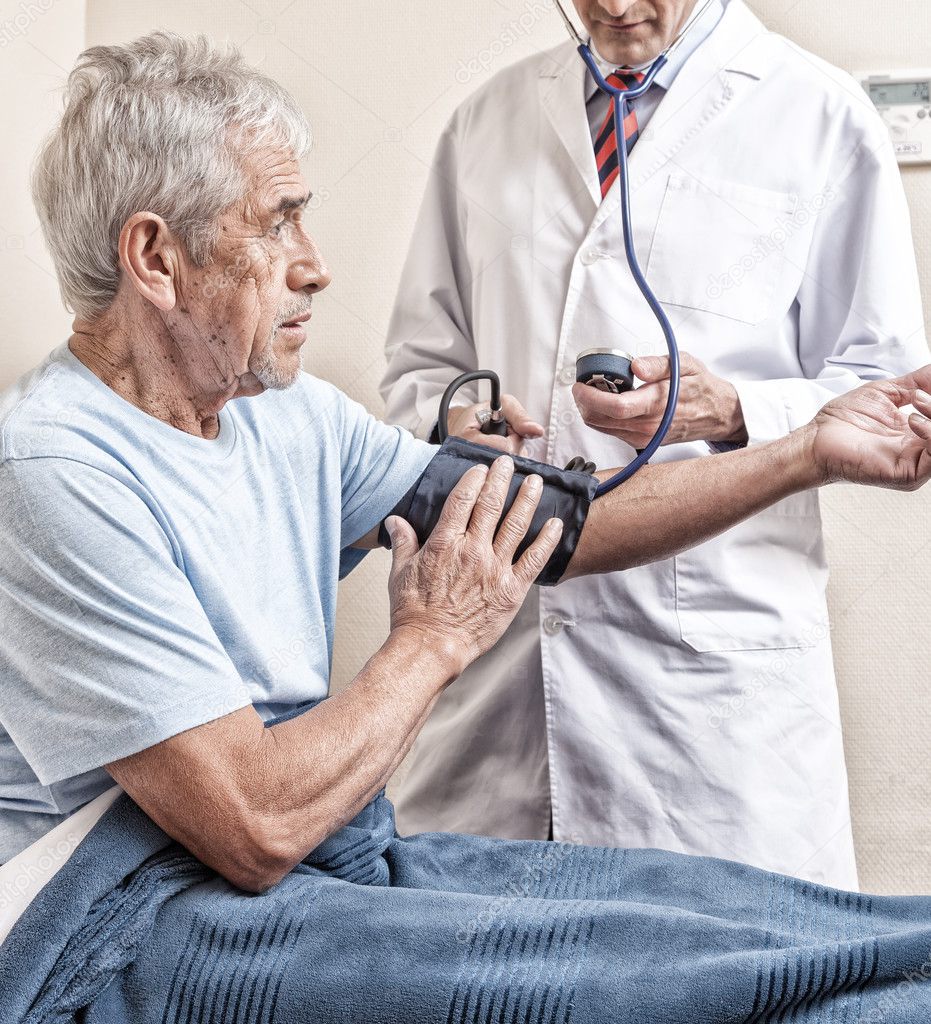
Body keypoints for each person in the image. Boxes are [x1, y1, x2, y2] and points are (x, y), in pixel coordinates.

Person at [1, 29, 930, 900]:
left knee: (754, 926)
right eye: (278, 224)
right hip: (143, 909)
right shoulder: (55, 470)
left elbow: (560, 520)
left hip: (317, 872)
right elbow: (253, 825)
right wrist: (435, 635)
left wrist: (802, 448)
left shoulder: (292, 417)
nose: (316, 267)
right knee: (634, 964)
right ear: (156, 258)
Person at [379, 0, 929, 888]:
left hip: (706, 690)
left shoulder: (817, 113)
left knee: (730, 975)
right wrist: (455, 424)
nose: (617, 9)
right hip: (503, 661)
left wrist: (735, 409)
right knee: (485, 977)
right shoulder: (487, 120)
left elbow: (889, 389)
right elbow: (422, 360)